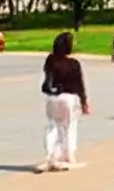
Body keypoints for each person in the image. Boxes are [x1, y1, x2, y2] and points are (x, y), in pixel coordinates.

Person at [37, 32, 89, 173]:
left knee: (52, 126)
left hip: (52, 98)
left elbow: (47, 75)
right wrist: (84, 101)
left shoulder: (50, 60)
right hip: (68, 99)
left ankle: (50, 155)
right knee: (69, 126)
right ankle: (68, 155)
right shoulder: (73, 64)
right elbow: (79, 84)